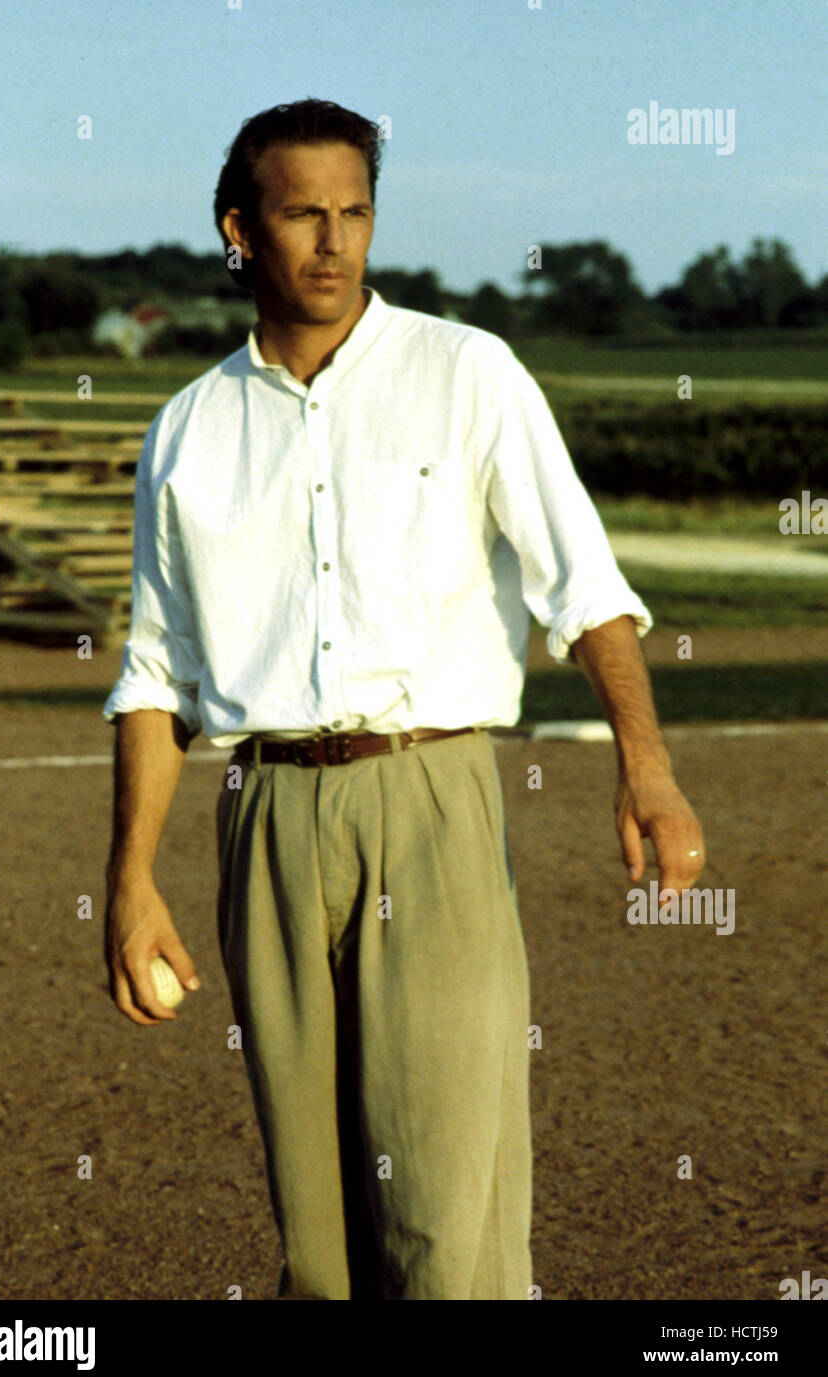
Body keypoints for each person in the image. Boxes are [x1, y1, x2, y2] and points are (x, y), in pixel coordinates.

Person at [102, 98, 705, 1301]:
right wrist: (127, 879)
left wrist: (645, 768)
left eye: (354, 212)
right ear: (239, 232)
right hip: (264, 820)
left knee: (446, 1235)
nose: (332, 241)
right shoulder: (186, 430)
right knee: (319, 1256)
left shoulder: (465, 372)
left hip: (427, 805)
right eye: (300, 215)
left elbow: (584, 588)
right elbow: (156, 675)